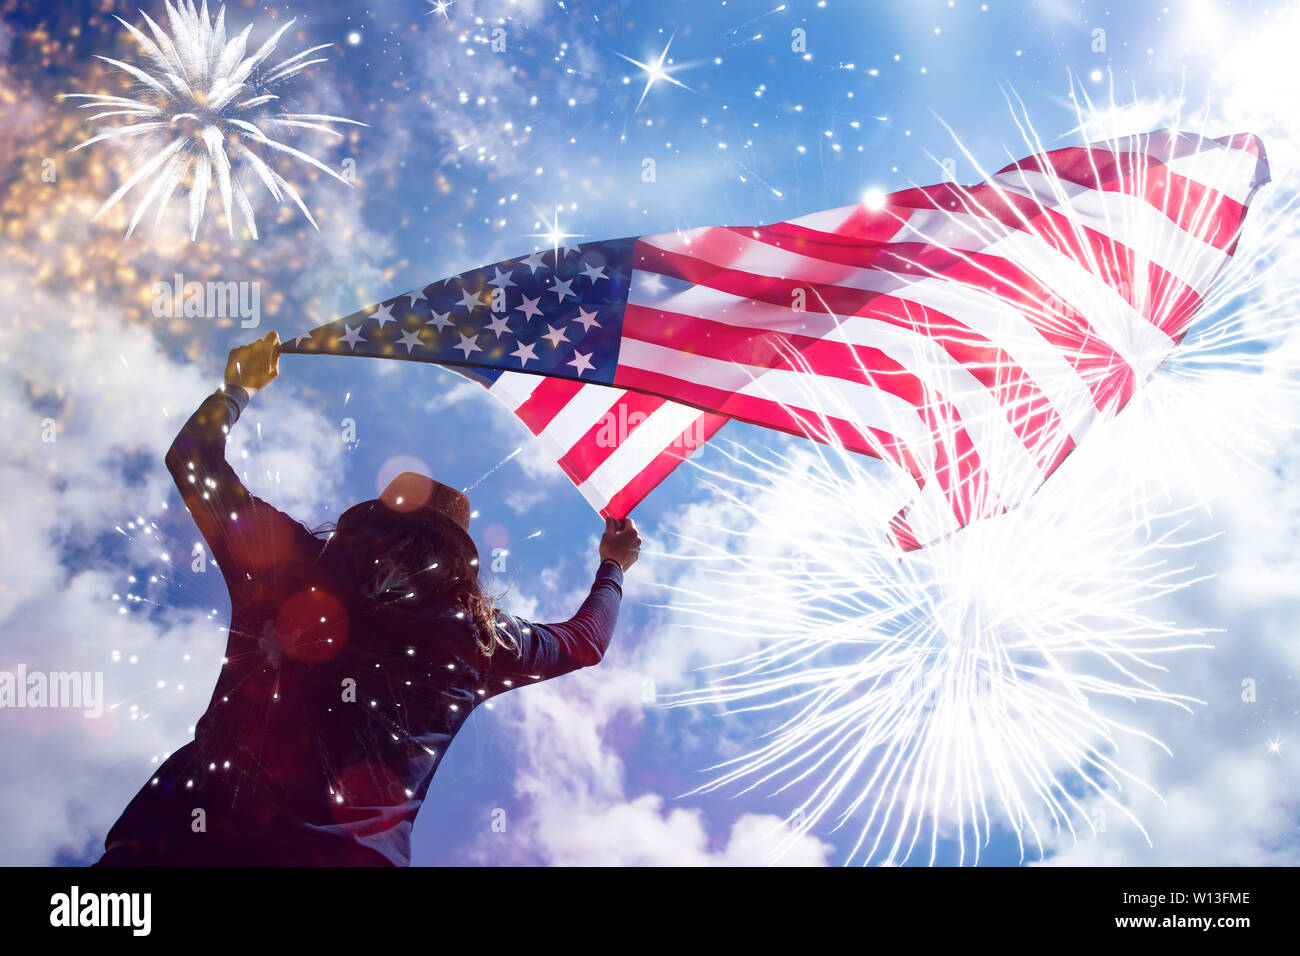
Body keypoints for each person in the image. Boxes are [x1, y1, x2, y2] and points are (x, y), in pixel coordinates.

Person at [94, 331, 642, 866]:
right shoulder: (481, 638)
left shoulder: (293, 564)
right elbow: (586, 642)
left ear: (368, 520)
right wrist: (612, 563)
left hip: (177, 843)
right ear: (458, 556)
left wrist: (238, 389)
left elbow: (193, 458)